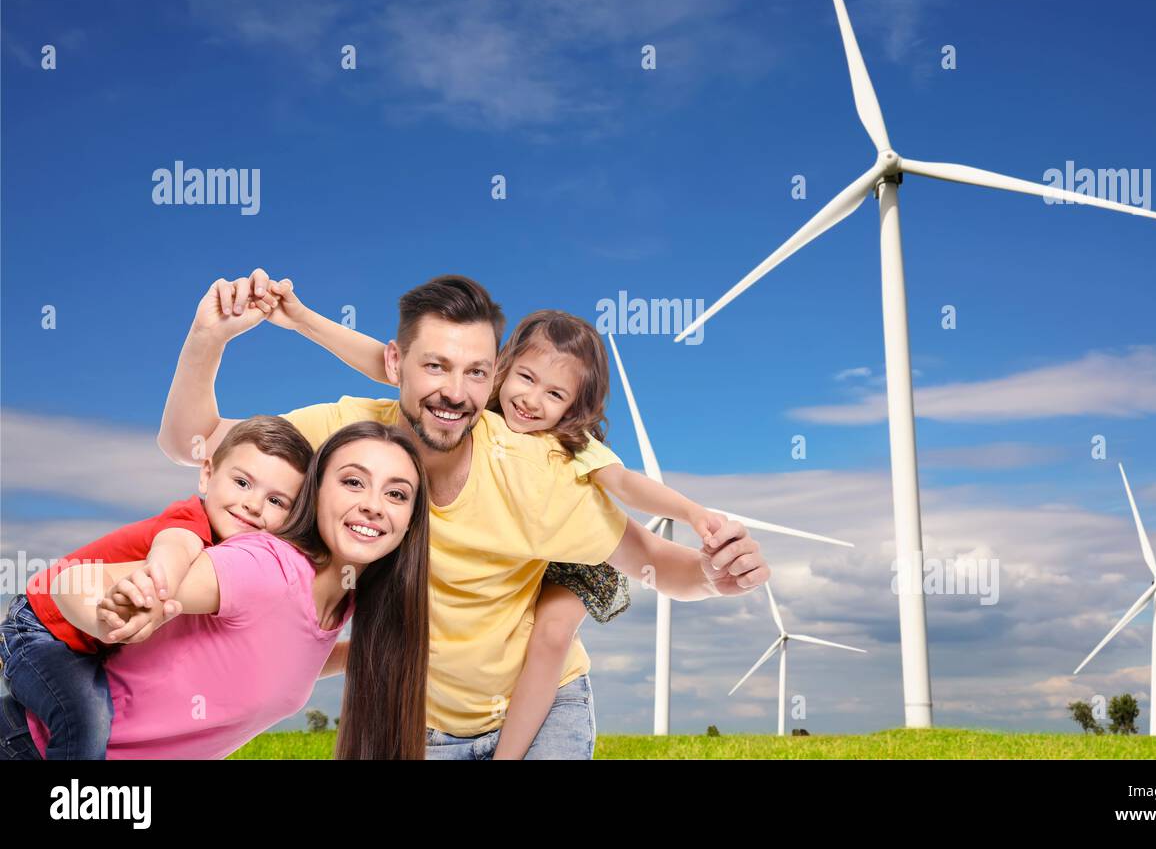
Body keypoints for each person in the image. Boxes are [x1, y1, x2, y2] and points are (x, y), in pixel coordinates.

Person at [156, 269, 771, 759]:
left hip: (542, 712)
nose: (455, 391)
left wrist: (717, 574)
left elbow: (656, 563)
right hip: (413, 718)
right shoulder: (350, 437)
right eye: (436, 366)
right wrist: (207, 339)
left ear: (491, 379)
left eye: (475, 371)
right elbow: (192, 443)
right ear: (397, 365)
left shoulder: (540, 476)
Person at [0, 421, 431, 760]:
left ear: (411, 519)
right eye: (354, 482)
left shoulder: (346, 602)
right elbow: (76, 580)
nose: (374, 503)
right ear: (314, 497)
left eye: (396, 493)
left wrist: (383, 652)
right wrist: (120, 608)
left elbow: (276, 656)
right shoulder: (263, 567)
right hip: (31, 747)